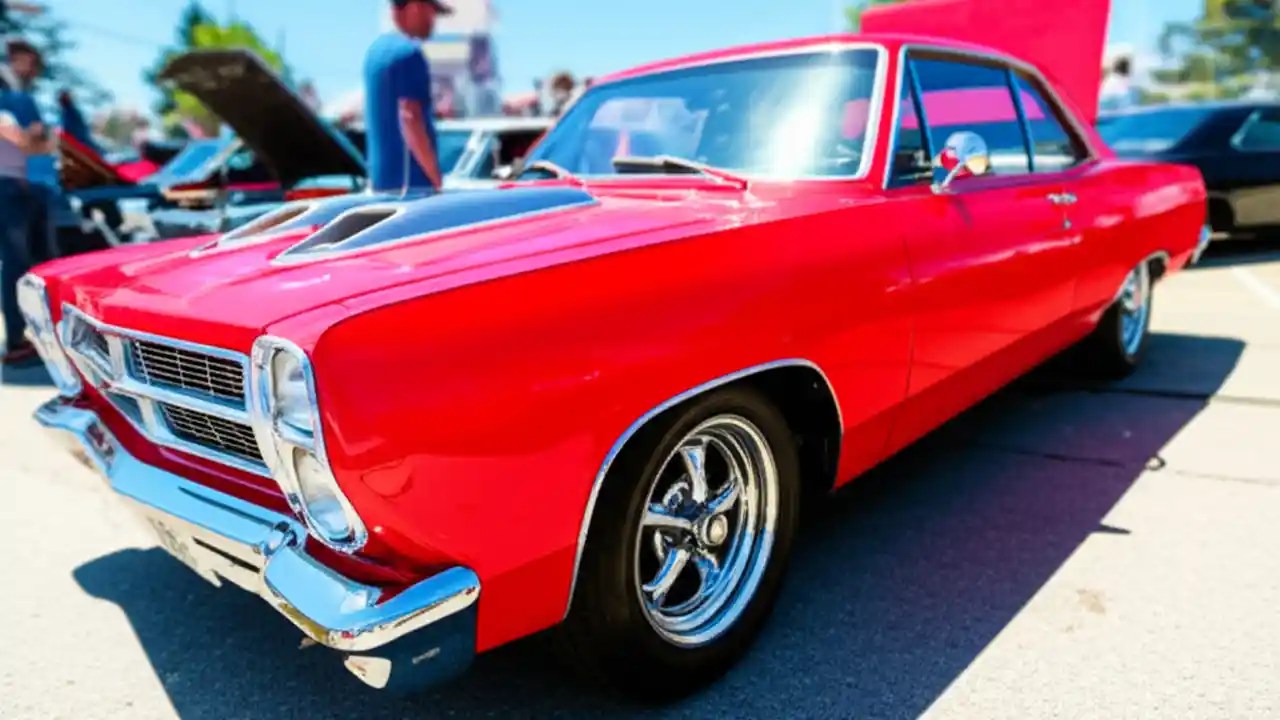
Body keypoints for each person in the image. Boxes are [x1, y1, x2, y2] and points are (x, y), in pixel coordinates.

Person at [363, 0, 451, 194]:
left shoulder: (374, 53)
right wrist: (436, 179)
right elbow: (410, 117)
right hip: (411, 185)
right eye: (431, 12)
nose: (433, 21)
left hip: (381, 183)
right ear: (415, 7)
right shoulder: (409, 53)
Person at [0, 48, 51, 365]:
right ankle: (17, 342)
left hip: (23, 188)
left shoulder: (16, 102)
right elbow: (24, 141)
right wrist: (30, 137)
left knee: (33, 264)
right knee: (17, 264)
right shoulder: (7, 106)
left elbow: (39, 145)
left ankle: (32, 336)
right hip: (9, 190)